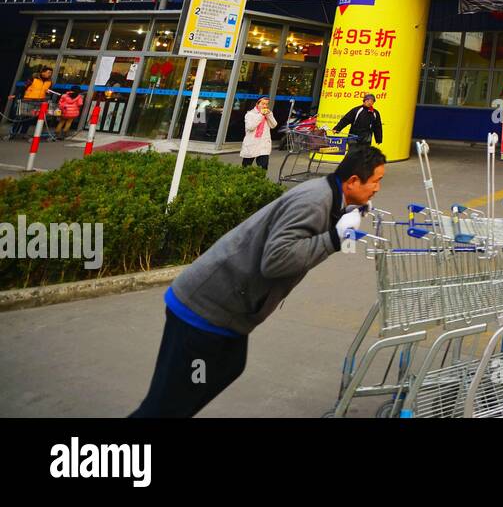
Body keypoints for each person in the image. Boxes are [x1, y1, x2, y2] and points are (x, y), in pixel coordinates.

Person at [129, 146, 386, 418]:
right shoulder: (313, 201)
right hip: (204, 311)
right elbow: (276, 260)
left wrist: (343, 223)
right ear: (353, 181)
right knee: (168, 402)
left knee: (226, 368)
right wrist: (334, 238)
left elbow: (308, 246)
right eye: (376, 181)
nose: (378, 188)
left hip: (228, 312)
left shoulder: (331, 199)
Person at [239, 97, 277, 170]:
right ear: (257, 104)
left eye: (266, 104)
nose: (265, 106)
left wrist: (269, 115)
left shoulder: (268, 114)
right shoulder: (250, 114)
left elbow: (273, 125)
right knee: (246, 166)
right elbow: (250, 127)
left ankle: (261, 180)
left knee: (263, 166)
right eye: (263, 104)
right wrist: (261, 115)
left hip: (264, 144)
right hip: (252, 143)